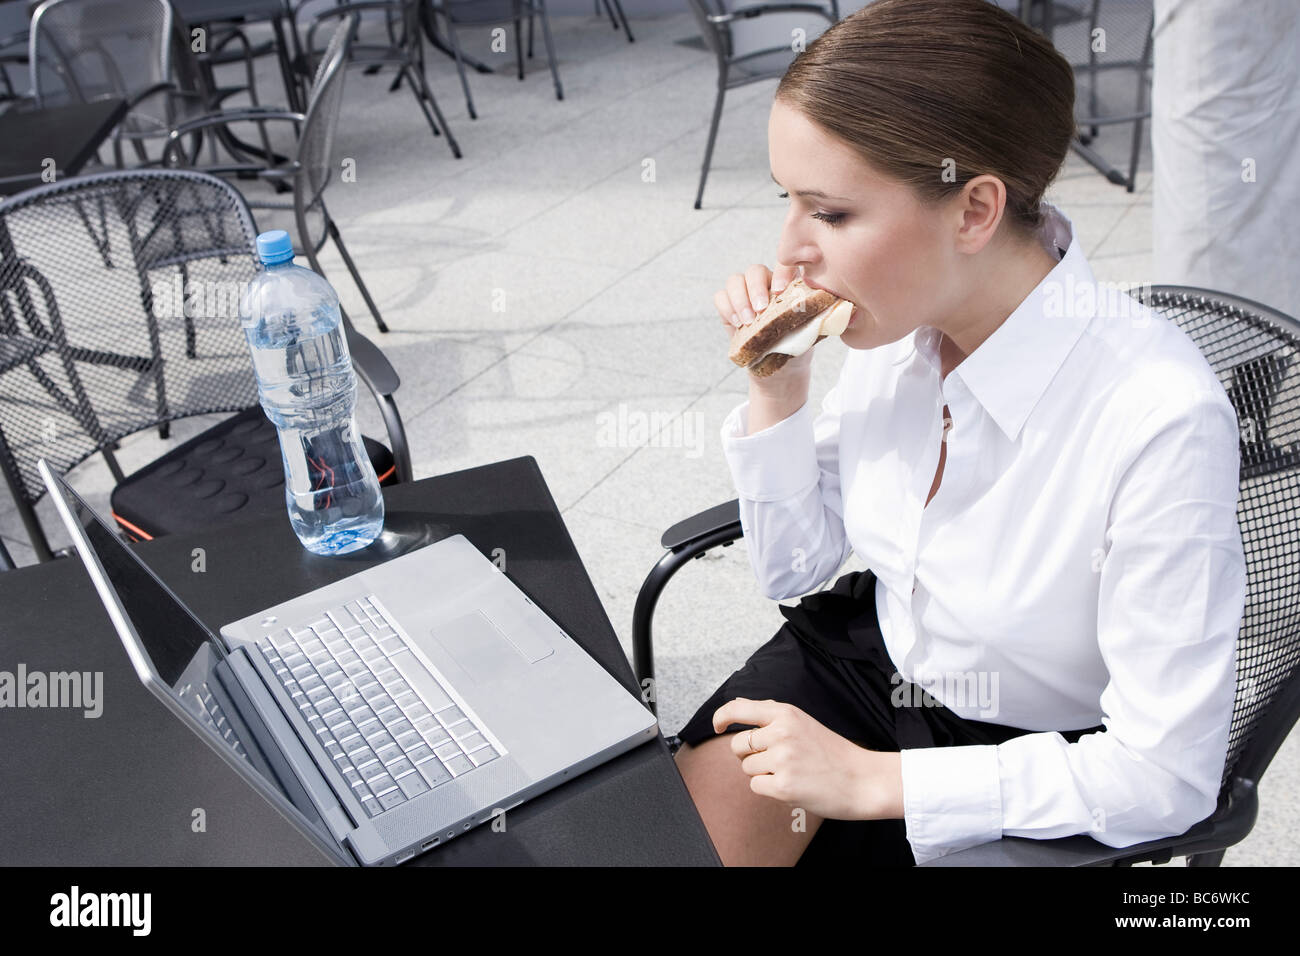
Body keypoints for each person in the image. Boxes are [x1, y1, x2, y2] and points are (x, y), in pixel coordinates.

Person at [674, 0, 1246, 867]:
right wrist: (780, 391)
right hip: (872, 657)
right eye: (786, 201)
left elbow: (1168, 777)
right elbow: (792, 567)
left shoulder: (1156, 415)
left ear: (976, 210)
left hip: (1031, 748)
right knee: (651, 843)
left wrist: (876, 782)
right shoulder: (898, 321)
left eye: (829, 214)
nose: (787, 250)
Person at [1151, 0, 1300, 318]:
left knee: (1267, 190)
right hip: (1212, 38)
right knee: (1209, 198)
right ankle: (1217, 332)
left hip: (1265, 39)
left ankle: (1269, 330)